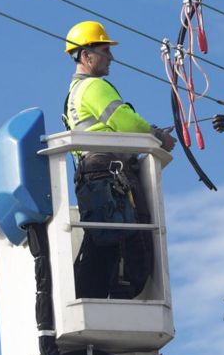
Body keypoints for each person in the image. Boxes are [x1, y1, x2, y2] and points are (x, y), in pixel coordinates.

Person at [61, 20, 176, 299]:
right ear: (86, 56)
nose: (111, 57)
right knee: (128, 241)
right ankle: (112, 295)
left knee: (105, 240)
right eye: (105, 51)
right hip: (108, 172)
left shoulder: (73, 94)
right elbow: (124, 121)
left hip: (94, 175)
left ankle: (93, 297)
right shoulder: (94, 87)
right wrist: (157, 136)